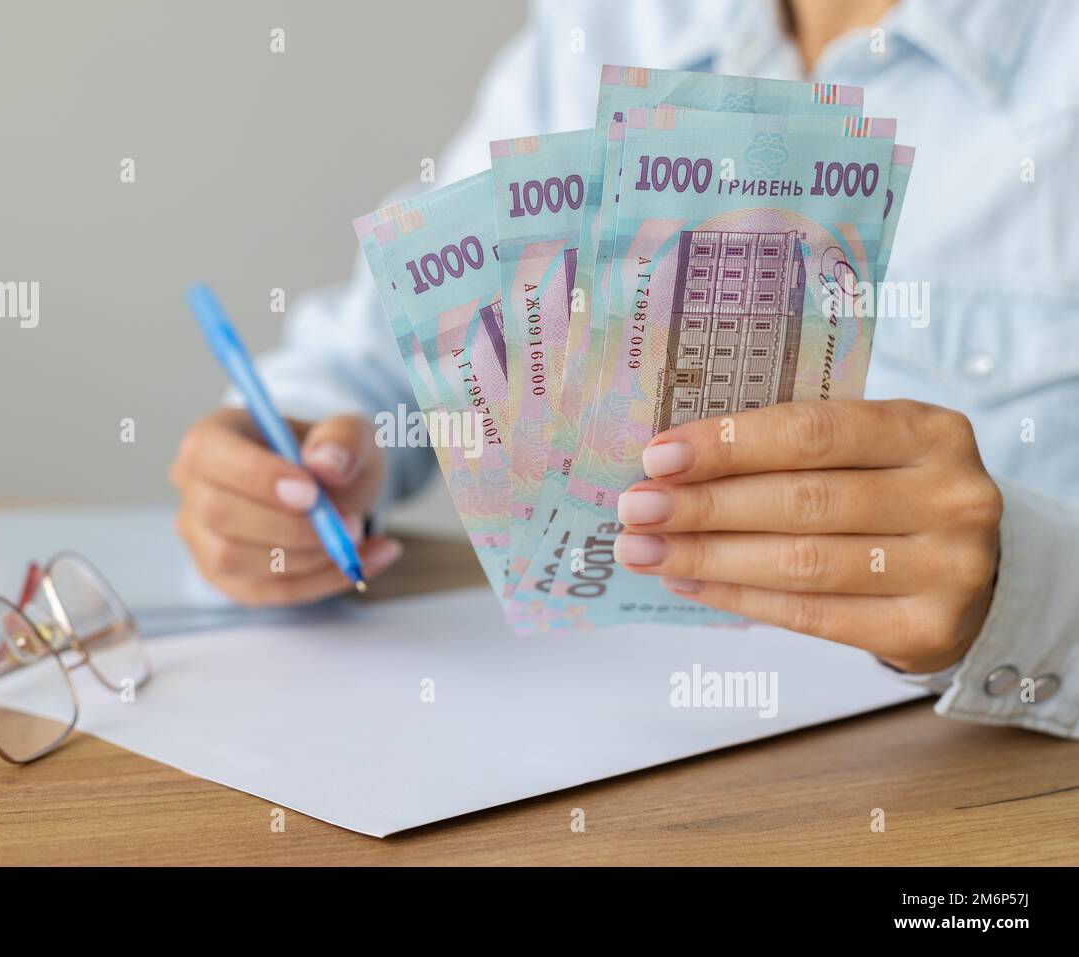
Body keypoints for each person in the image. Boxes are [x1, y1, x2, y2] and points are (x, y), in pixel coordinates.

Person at [170, 0, 1079, 739]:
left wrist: (1019, 591)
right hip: (595, 753)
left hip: (977, 801)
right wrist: (290, 455)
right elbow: (376, 350)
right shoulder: (607, 23)